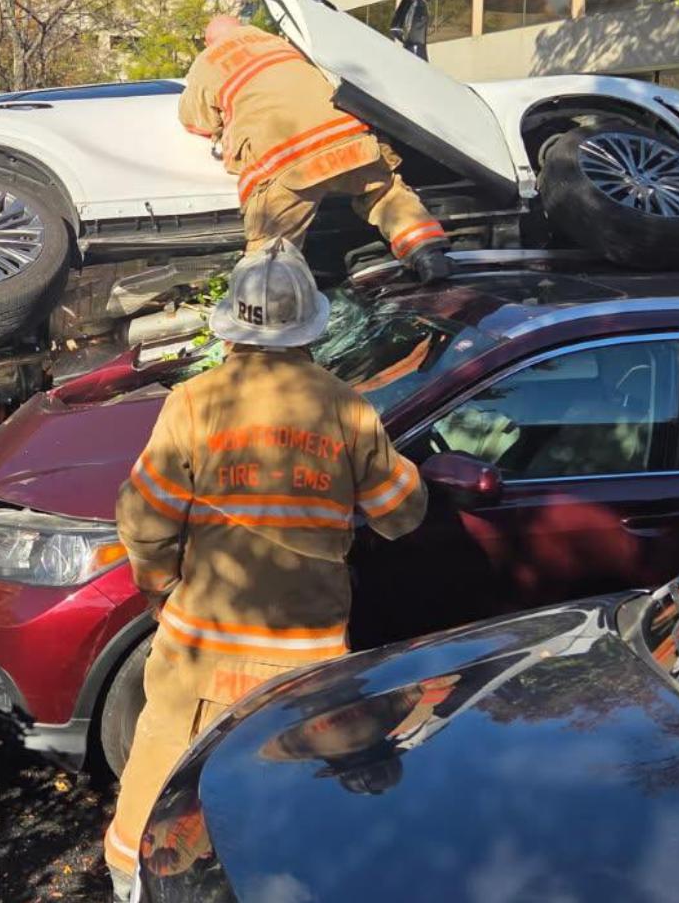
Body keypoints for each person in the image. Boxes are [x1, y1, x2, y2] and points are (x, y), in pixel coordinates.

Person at [103, 240, 429, 896]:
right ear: (309, 327)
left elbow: (143, 517)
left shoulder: (196, 402)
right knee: (289, 784)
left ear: (232, 325)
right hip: (301, 657)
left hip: (202, 646)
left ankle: (133, 875)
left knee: (165, 753)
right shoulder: (345, 407)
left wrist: (159, 587)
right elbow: (402, 513)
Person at [179, 14, 453, 281]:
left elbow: (196, 120)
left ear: (208, 41)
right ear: (244, 27)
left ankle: (272, 310)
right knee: (386, 195)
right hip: (348, 137)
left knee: (271, 251)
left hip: (287, 157)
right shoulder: (282, 41)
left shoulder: (209, 61)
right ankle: (428, 253)